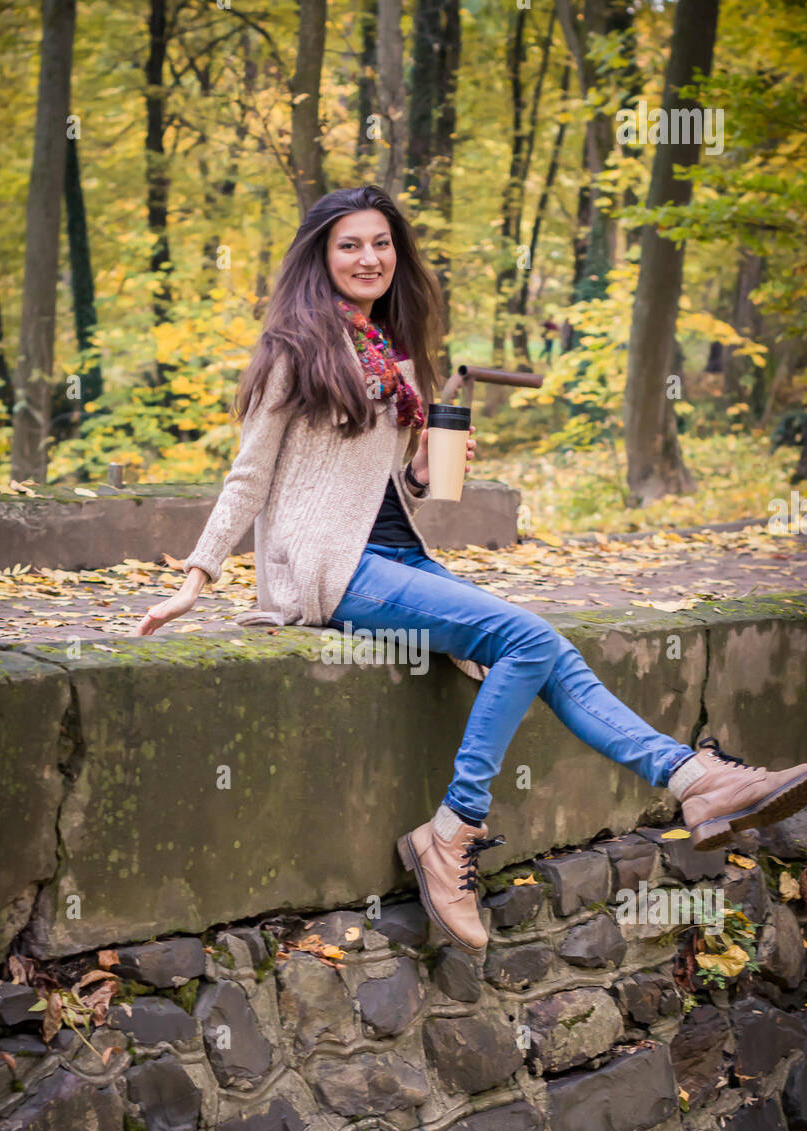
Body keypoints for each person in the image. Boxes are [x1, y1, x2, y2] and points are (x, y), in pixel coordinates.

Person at [137, 184, 807, 956]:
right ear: (321, 255)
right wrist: (196, 579)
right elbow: (249, 476)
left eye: (381, 243)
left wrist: (421, 470)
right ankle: (454, 828)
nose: (369, 258)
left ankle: (696, 781)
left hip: (394, 554)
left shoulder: (389, 353)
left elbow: (384, 486)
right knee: (525, 637)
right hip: (330, 568)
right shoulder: (292, 348)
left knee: (548, 647)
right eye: (350, 244)